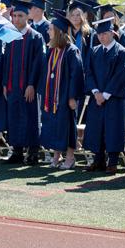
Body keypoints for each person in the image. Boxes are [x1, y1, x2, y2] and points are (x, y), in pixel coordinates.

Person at [0, 0, 45, 165]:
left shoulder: (35, 37)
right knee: (14, 118)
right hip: (12, 87)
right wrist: (5, 83)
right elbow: (5, 62)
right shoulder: (10, 37)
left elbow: (38, 63)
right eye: (14, 15)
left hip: (28, 87)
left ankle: (33, 152)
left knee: (31, 118)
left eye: (20, 16)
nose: (16, 19)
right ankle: (17, 151)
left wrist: (32, 84)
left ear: (27, 17)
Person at [84, 17, 125, 174]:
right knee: (97, 128)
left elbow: (121, 76)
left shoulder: (121, 52)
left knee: (113, 129)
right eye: (99, 34)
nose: (101, 37)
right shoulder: (94, 51)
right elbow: (89, 73)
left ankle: (113, 161)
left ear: (112, 33)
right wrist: (96, 92)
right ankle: (98, 160)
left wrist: (105, 94)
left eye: (104, 33)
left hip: (114, 99)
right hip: (97, 98)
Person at [38, 11, 84, 169]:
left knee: (68, 126)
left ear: (58, 32)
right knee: (54, 126)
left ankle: (70, 157)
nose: (48, 31)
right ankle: (57, 156)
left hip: (65, 97)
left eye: (50, 29)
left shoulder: (71, 51)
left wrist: (72, 97)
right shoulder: (52, 50)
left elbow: (76, 75)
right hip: (52, 96)